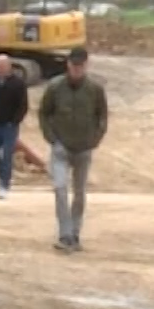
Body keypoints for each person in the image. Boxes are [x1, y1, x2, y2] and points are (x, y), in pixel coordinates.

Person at [37, 46, 108, 253]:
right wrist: (51, 138)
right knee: (60, 188)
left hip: (84, 148)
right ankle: (64, 234)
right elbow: (44, 113)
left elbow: (102, 115)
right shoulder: (55, 87)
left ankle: (75, 233)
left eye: (81, 66)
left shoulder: (94, 89)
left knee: (79, 192)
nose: (77, 69)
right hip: (61, 147)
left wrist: (95, 139)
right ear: (68, 65)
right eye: (74, 65)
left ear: (86, 65)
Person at [0, 54, 28, 199]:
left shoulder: (18, 83)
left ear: (9, 67)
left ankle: (4, 184)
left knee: (7, 155)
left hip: (9, 126)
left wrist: (15, 121)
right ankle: (4, 175)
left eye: (2, 66)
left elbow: (23, 105)